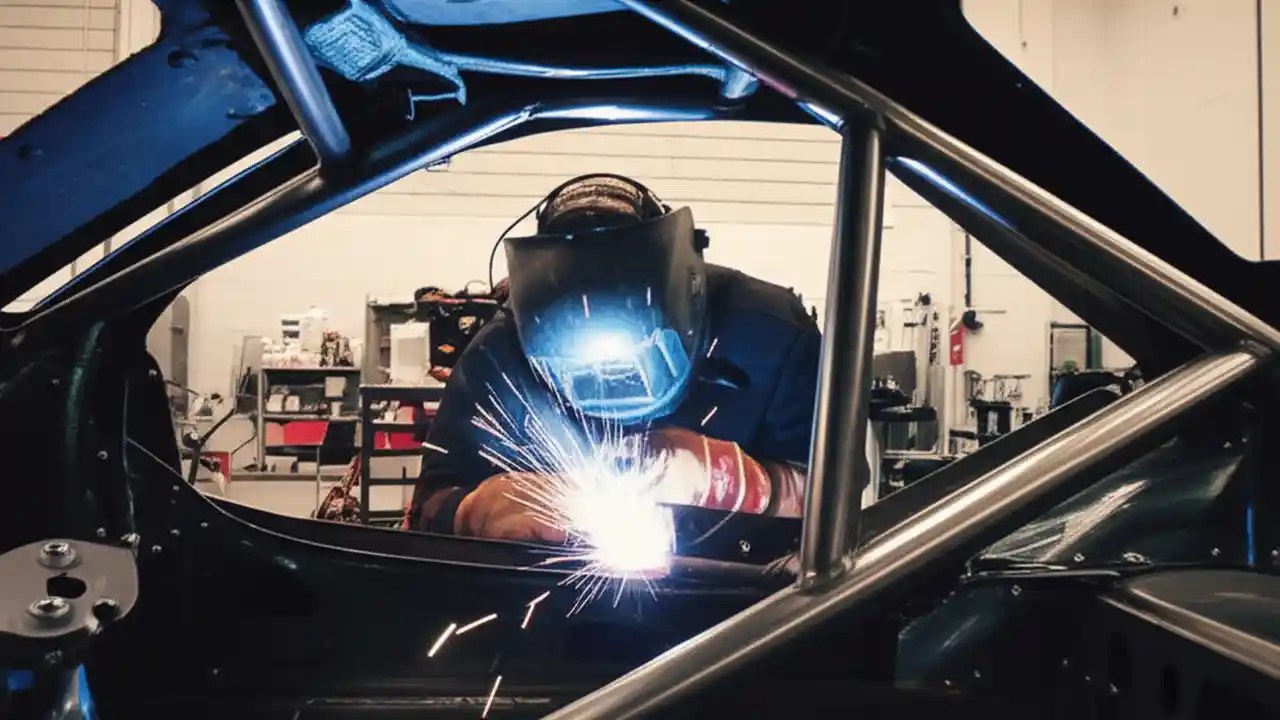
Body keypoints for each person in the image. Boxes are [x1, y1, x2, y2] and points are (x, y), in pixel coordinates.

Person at [407, 174, 837, 542]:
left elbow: (841, 495)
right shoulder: (502, 354)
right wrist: (473, 509)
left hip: (746, 606)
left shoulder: (770, 335)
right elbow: (428, 505)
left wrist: (750, 483)